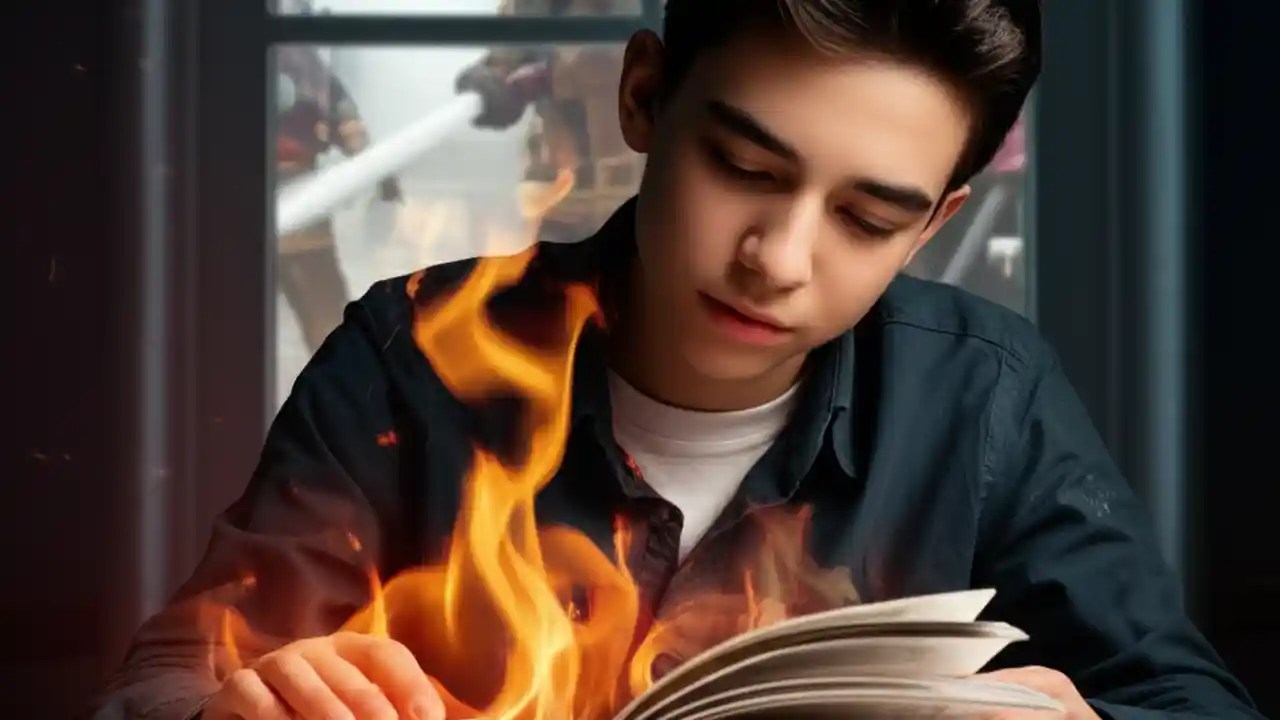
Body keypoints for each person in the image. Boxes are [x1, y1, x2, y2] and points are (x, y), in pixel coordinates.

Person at [92, 1, 1263, 719]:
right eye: (745, 170)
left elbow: (1186, 702)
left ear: (934, 221)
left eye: (866, 219)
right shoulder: (411, 361)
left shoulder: (985, 397)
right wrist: (232, 703)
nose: (777, 259)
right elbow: (163, 677)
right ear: (645, 96)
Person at [454, 0, 646, 245]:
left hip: (631, 192)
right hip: (557, 197)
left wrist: (551, 77)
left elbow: (623, 61)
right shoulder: (528, 5)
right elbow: (503, 60)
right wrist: (486, 83)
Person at [275, 42, 403, 353]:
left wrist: (378, 170)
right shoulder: (303, 63)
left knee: (329, 325)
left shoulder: (302, 63)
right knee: (329, 326)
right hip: (299, 214)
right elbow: (347, 124)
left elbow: (347, 123)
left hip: (297, 212)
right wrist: (379, 172)